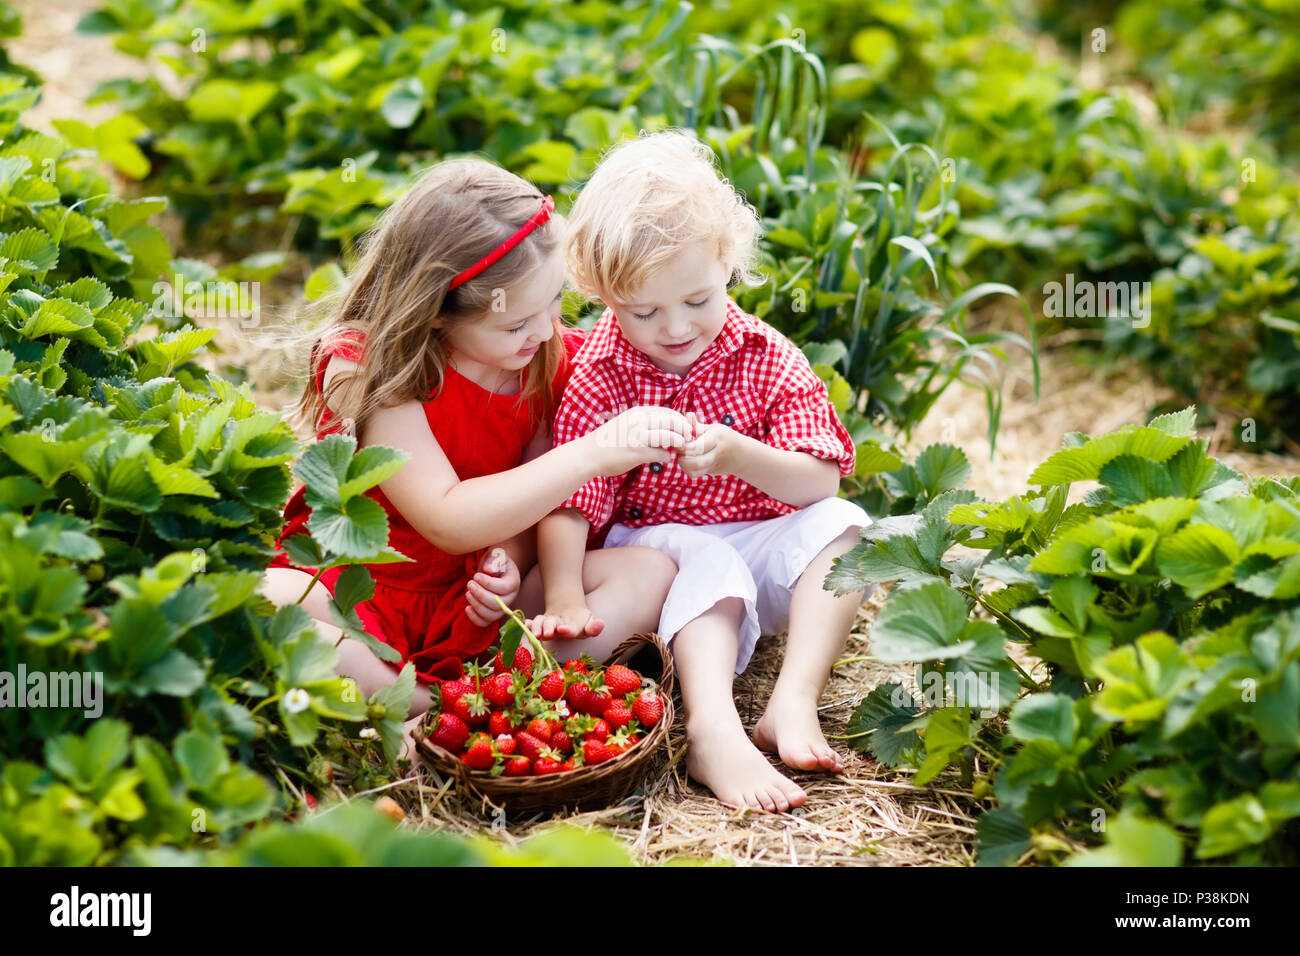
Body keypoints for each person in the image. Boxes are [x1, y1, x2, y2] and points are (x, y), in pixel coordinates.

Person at [258, 159, 691, 745]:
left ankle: (458, 699)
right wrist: (594, 453)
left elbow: (524, 497)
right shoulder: (367, 367)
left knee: (650, 572)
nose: (543, 330)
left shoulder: (542, 354)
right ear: (436, 310)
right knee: (268, 606)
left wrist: (506, 562)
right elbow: (448, 517)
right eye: (516, 323)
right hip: (361, 584)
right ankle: (437, 704)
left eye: (555, 301)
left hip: (474, 605)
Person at [531, 130, 874, 812]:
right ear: (600, 293)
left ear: (726, 263)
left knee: (848, 530)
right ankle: (713, 727)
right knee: (706, 558)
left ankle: (791, 700)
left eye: (695, 300)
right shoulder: (600, 372)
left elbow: (819, 481)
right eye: (644, 311)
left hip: (753, 542)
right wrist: (566, 596)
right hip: (652, 552)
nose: (675, 327)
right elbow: (571, 498)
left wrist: (741, 455)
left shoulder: (766, 356)